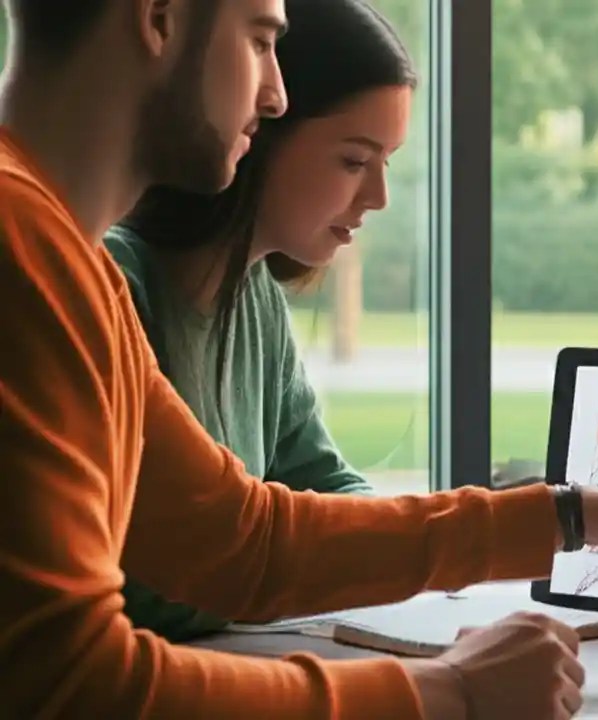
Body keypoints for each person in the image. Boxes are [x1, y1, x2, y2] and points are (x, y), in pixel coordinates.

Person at [0, 1, 598, 718]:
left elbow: (245, 544)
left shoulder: (71, 266)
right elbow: (73, 685)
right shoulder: (22, 253)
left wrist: (577, 515)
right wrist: (444, 694)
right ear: (158, 16)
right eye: (259, 39)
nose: (276, 93)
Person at [104, 0, 410, 642]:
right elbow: (183, 574)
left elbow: (323, 486)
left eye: (387, 163)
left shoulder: (254, 296)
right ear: (260, 136)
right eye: (355, 162)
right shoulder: (118, 287)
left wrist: (414, 545)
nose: (378, 197)